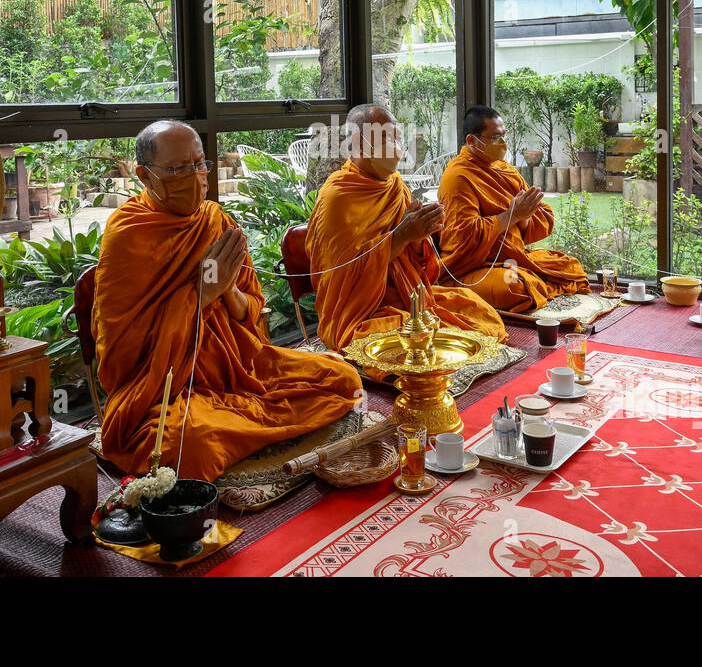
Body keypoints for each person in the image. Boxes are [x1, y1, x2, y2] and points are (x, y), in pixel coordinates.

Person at [91, 121, 362, 480]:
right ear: (144, 175)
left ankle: (243, 430)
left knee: (342, 377)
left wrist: (227, 290)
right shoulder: (129, 235)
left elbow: (251, 312)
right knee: (193, 445)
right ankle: (237, 435)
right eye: (177, 169)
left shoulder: (215, 220)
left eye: (199, 164)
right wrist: (201, 297)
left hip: (242, 366)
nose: (194, 177)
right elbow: (120, 353)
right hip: (169, 389)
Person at [306, 103, 508, 351]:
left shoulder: (395, 185)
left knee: (475, 310)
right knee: (408, 337)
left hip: (407, 295)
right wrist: (400, 237)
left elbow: (415, 264)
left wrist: (419, 235)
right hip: (360, 311)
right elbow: (338, 278)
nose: (396, 147)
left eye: (397, 137)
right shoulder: (338, 197)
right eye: (384, 138)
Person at [437, 105, 589, 311]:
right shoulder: (458, 177)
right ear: (472, 141)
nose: (503, 143)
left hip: (513, 258)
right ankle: (533, 284)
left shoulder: (505, 169)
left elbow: (541, 217)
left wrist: (523, 216)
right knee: (513, 288)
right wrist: (511, 215)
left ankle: (536, 282)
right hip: (473, 267)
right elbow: (464, 237)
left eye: (503, 135)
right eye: (495, 137)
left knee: (571, 266)